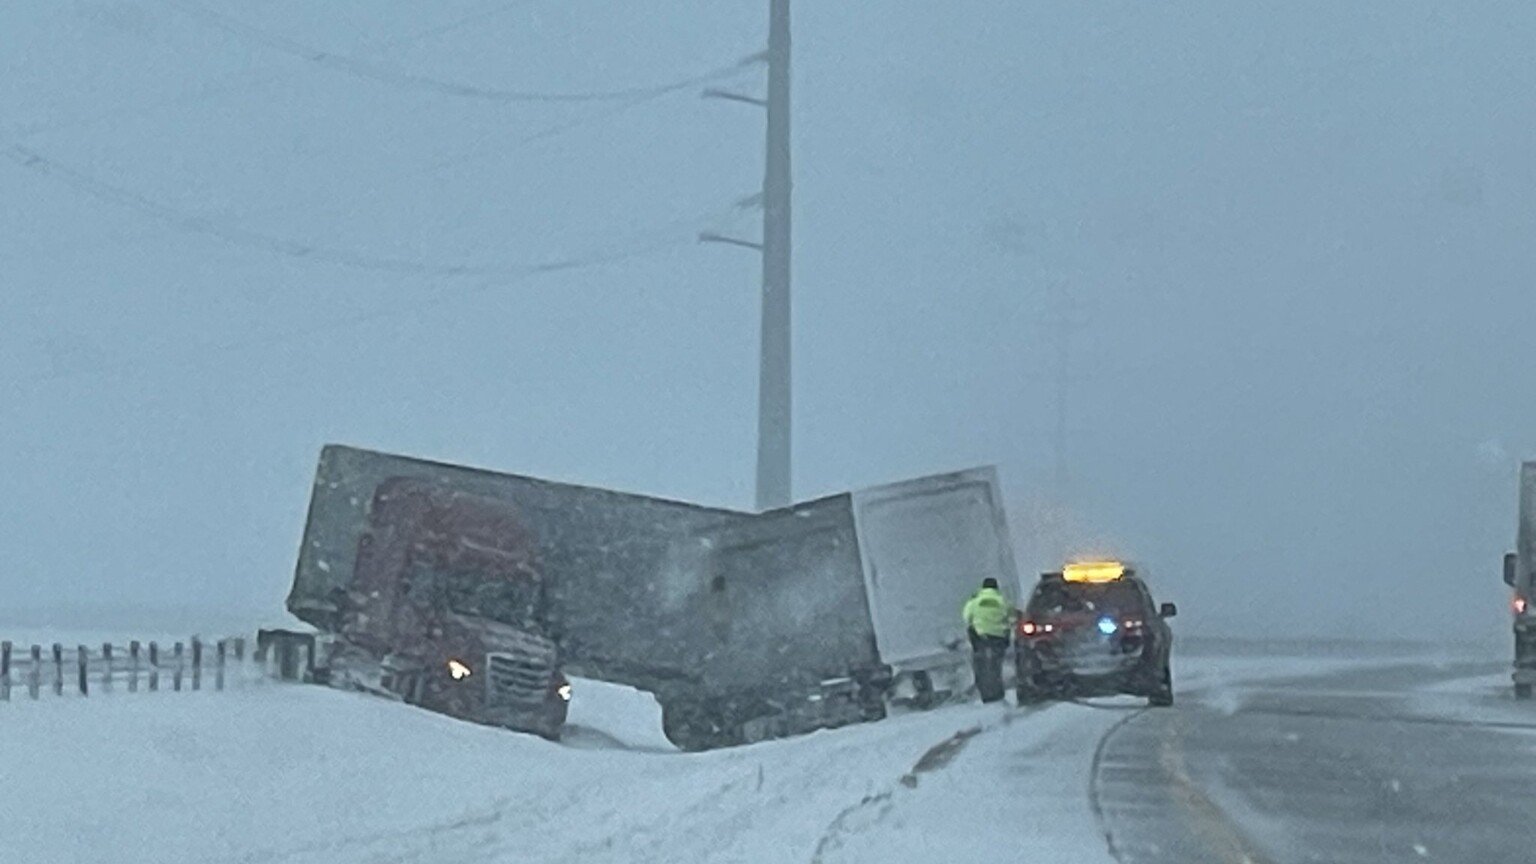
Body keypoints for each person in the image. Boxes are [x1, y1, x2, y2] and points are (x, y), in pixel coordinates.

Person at [962, 577, 1012, 703]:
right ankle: (997, 693)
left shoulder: (975, 601)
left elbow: (966, 617)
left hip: (981, 639)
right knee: (995, 667)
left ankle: (986, 695)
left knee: (983, 668)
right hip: (998, 639)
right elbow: (1010, 616)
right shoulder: (1002, 600)